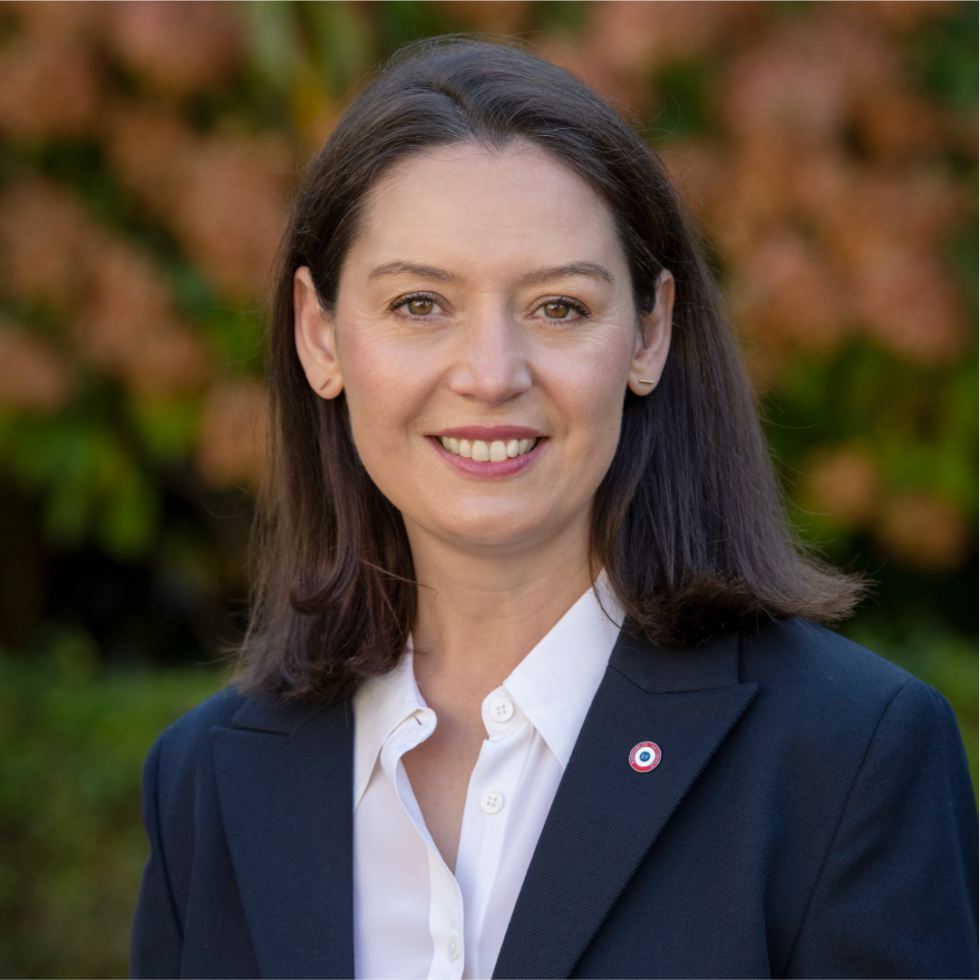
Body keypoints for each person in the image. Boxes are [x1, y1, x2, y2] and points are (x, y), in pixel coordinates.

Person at [130, 38, 980, 979]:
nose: (492, 375)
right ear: (319, 335)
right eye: (419, 304)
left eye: (559, 308)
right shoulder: (207, 782)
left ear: (650, 333)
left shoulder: (845, 757)